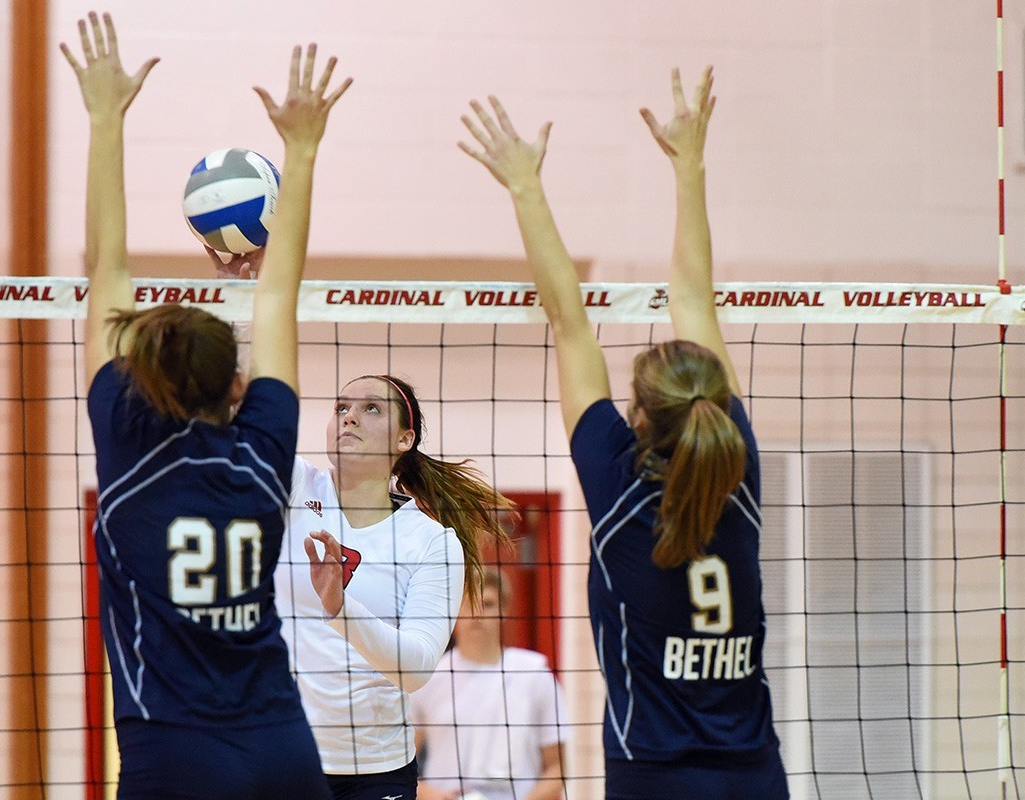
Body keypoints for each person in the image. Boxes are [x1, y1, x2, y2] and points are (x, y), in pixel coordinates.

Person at [459, 69, 788, 800]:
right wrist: (692, 164)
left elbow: (568, 318)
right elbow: (694, 295)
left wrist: (524, 186)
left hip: (656, 777)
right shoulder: (737, 466)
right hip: (756, 775)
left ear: (639, 419)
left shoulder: (619, 490)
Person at [62, 12, 350, 798]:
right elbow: (279, 296)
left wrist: (104, 119)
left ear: (148, 377)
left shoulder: (127, 450)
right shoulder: (264, 456)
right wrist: (301, 152)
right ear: (237, 387)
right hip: (282, 747)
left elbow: (107, 271)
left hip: (175, 755)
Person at [278, 371, 517, 800]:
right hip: (284, 751)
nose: (349, 417)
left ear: (404, 440)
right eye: (341, 408)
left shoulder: (431, 541)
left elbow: (417, 668)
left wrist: (339, 606)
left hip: (374, 767)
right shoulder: (295, 485)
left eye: (371, 408)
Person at [411, 570, 566, 800]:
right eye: (469, 604)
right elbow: (398, 765)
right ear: (454, 613)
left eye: (488, 604)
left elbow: (558, 769)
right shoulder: (428, 676)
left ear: (504, 611)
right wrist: (432, 795)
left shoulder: (534, 673)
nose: (478, 614)